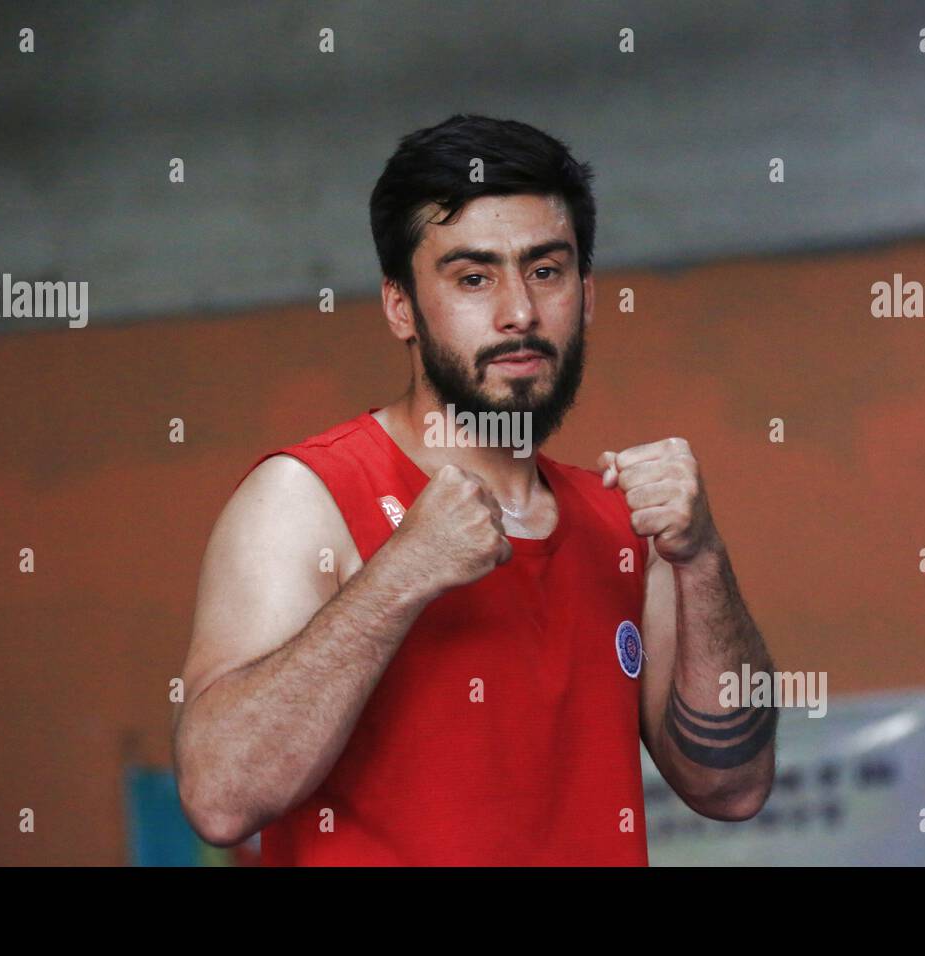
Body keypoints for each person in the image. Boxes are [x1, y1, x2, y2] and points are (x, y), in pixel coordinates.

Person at [172, 114, 777, 865]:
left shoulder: (625, 529)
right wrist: (400, 574)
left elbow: (734, 788)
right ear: (401, 307)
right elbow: (220, 796)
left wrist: (704, 558)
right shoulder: (305, 497)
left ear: (586, 297)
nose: (519, 311)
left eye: (546, 271)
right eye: (472, 277)